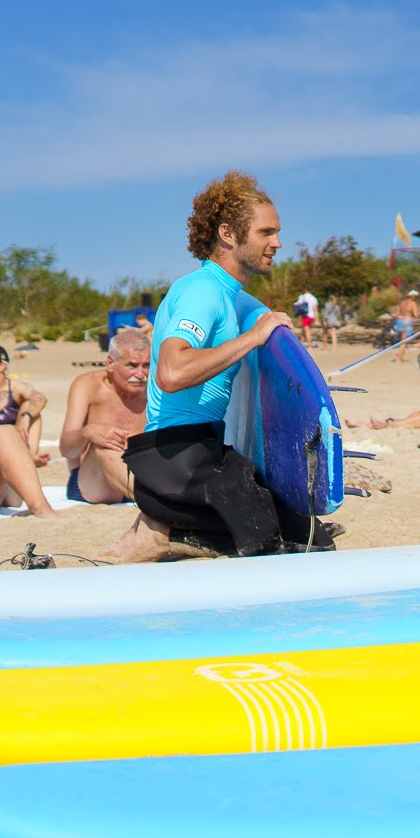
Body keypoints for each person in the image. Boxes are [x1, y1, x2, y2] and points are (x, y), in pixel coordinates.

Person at [107, 170, 334, 562]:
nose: (277, 243)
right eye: (266, 232)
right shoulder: (202, 292)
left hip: (205, 448)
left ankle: (167, 532)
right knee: (274, 545)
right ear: (228, 234)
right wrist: (253, 338)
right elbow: (172, 372)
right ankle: (160, 533)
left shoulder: (229, 296)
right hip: (176, 456)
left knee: (307, 532)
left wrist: (271, 332)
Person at [58, 328, 152, 504]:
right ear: (110, 363)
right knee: (105, 441)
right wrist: (88, 432)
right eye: (132, 366)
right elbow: (66, 449)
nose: (140, 375)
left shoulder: (154, 388)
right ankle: (153, 501)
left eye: (146, 366)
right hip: (95, 483)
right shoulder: (89, 385)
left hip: (142, 474)